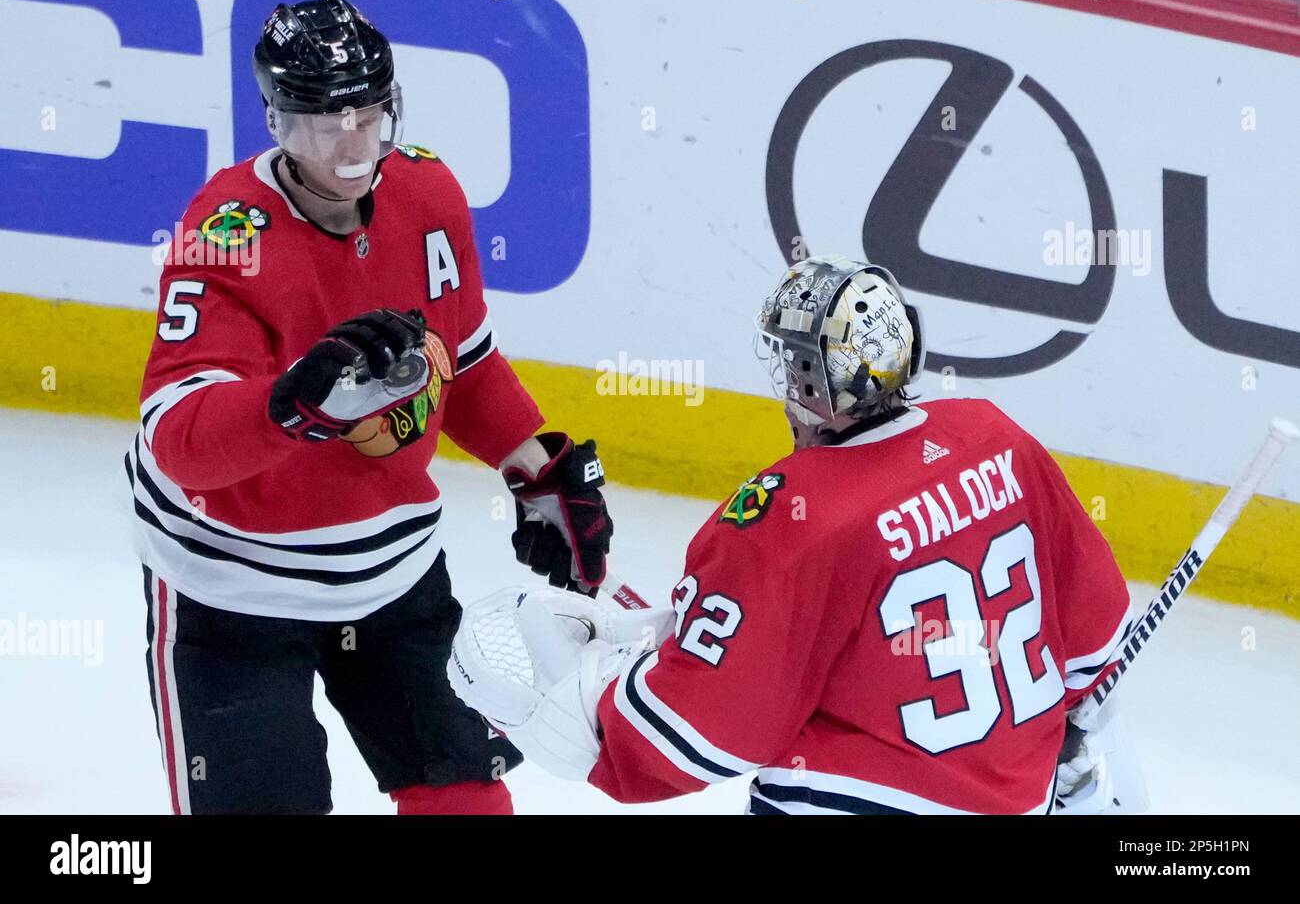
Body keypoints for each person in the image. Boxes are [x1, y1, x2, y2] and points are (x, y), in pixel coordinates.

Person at [127, 0, 613, 815]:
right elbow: (178, 439)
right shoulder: (226, 233)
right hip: (232, 585)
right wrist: (294, 405)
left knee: (467, 798)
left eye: (367, 114)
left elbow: (465, 358)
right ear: (278, 122)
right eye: (324, 121)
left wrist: (531, 465)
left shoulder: (429, 195)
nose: (352, 142)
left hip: (392, 573)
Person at [449, 254, 1145, 814]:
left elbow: (697, 732)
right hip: (1031, 796)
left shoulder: (789, 516)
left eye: (793, 362)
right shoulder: (996, 438)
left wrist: (600, 726)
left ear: (816, 380)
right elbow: (1093, 640)